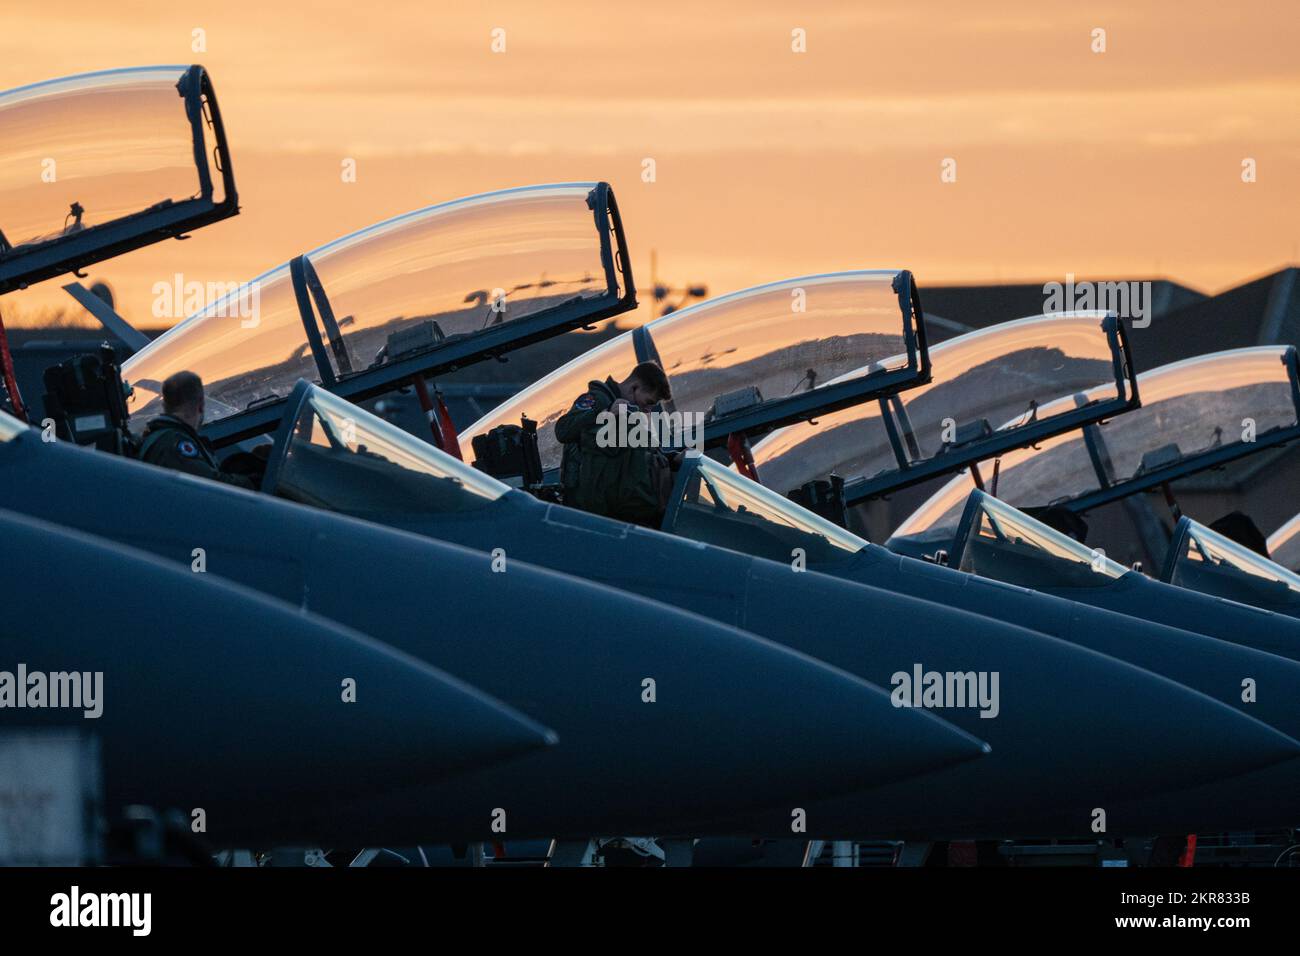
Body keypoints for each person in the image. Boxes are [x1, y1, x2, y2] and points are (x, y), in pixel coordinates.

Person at [555, 361, 675, 526]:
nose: (648, 410)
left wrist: (673, 458)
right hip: (587, 511)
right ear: (634, 388)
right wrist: (607, 413)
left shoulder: (630, 414)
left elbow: (643, 449)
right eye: (648, 403)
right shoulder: (598, 399)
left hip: (612, 502)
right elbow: (563, 430)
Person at [138, 371, 255, 488]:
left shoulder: (164, 437)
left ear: (164, 405)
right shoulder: (174, 443)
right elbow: (212, 486)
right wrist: (253, 482)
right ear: (201, 405)